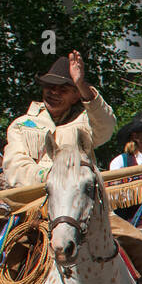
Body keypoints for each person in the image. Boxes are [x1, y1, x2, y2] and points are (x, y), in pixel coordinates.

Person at [4, 52, 116, 189]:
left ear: (76, 96)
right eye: (50, 87)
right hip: (34, 203)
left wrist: (82, 85)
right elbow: (14, 166)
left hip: (78, 201)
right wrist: (51, 175)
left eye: (63, 89)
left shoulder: (86, 123)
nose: (54, 93)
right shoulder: (21, 125)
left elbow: (106, 126)